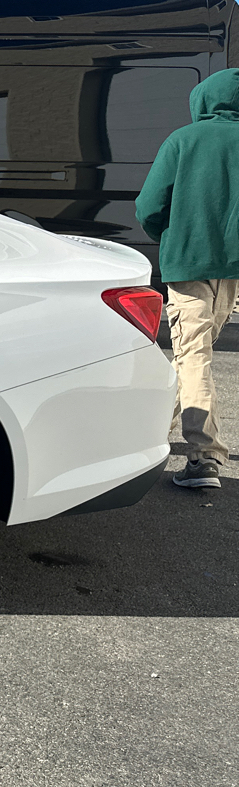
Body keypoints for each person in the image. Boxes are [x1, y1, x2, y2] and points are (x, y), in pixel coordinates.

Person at [136, 67, 239, 490]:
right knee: (191, 353)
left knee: (192, 354)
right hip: (232, 268)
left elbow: (149, 206)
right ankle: (145, 435)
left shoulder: (183, 140)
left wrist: (171, 234)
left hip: (188, 264)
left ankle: (204, 457)